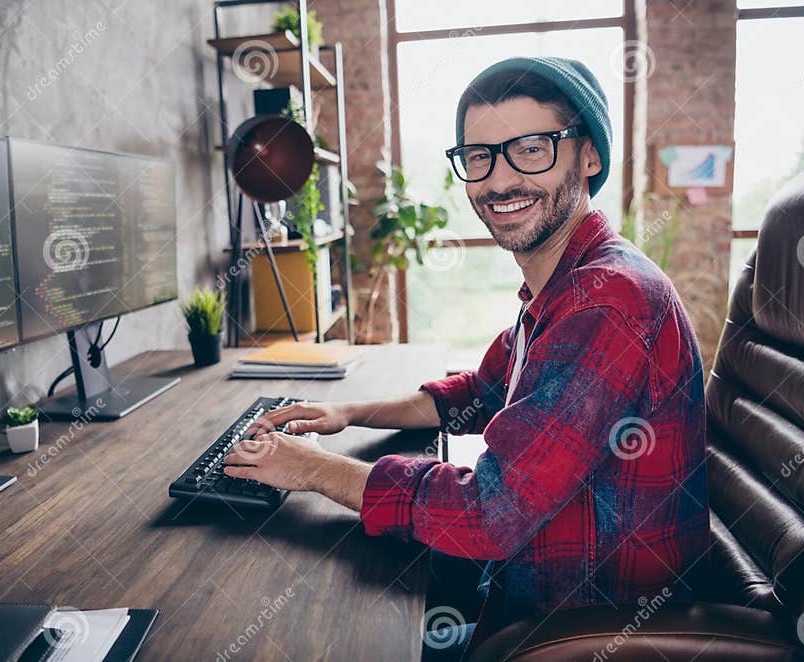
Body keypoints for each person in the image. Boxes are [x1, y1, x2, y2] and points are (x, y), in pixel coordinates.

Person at [224, 56, 709, 661]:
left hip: (576, 628)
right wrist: (347, 412)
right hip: (533, 592)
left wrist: (314, 470)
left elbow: (488, 514)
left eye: (530, 149)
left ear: (589, 156)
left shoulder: (607, 302)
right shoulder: (563, 286)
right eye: (479, 156)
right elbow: (479, 391)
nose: (499, 181)